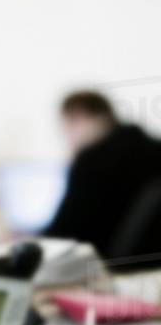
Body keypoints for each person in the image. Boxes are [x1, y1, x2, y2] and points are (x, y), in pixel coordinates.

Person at [42, 90, 161, 255]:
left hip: (107, 268)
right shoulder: (153, 148)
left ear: (77, 117)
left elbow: (62, 235)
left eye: (66, 129)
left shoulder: (93, 161)